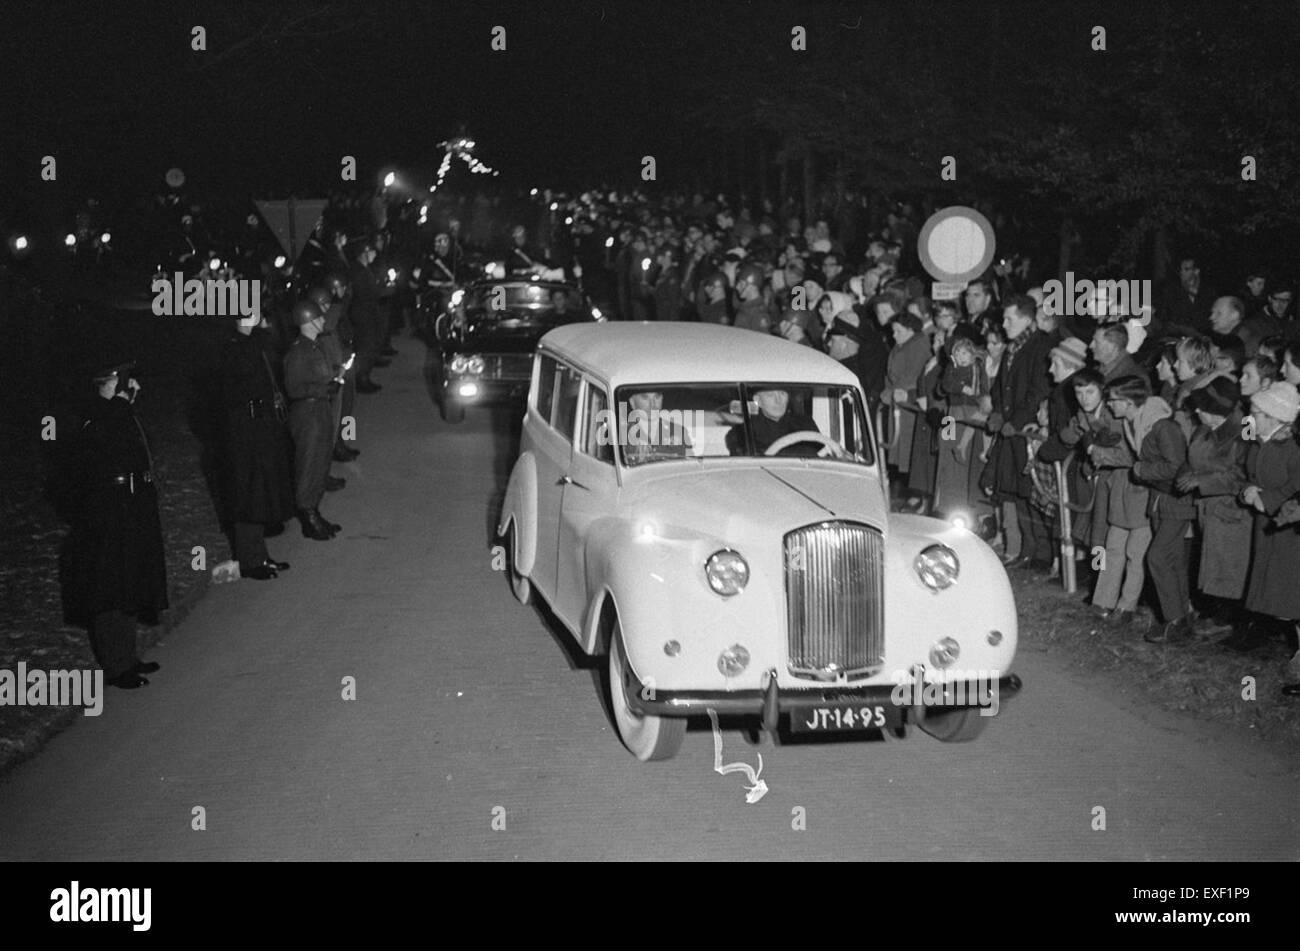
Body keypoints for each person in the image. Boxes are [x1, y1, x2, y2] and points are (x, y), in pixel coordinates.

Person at [60, 361, 167, 688]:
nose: (136, 387)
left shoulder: (118, 413)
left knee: (129, 581)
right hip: (108, 511)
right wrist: (120, 403)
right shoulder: (97, 415)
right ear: (113, 384)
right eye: (129, 382)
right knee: (110, 588)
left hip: (130, 505)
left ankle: (128, 657)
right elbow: (95, 459)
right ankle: (116, 666)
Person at [219, 312, 294, 580]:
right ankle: (251, 560)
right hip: (246, 430)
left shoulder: (252, 344)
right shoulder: (235, 349)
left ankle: (258, 555)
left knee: (259, 491)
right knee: (250, 493)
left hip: (259, 425)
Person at [1174, 377, 1249, 635]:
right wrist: (1186, 474)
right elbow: (1191, 458)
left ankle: (1227, 619)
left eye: (1202, 407)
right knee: (1211, 563)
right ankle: (1214, 612)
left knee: (1228, 566)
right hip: (1207, 509)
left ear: (1217, 411)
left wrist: (1201, 481)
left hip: (1231, 511)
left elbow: (1241, 475)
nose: (1196, 410)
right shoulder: (1203, 429)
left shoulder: (1242, 434)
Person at [1231, 382, 1300, 658]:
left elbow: (1296, 486)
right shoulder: (1258, 443)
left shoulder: (1293, 448)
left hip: (1290, 531)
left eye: (1256, 413)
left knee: (1291, 596)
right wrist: (1247, 492)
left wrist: (1267, 499)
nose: (1250, 418)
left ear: (1275, 417)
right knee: (1281, 601)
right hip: (1267, 530)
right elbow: (1246, 476)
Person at [1123, 374, 1193, 643]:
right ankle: (1181, 619)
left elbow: (1175, 467)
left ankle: (1174, 619)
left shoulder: (1162, 426)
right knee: (1173, 560)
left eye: (1113, 400)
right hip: (1159, 501)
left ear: (1129, 401)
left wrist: (1142, 470)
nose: (1110, 405)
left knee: (1157, 557)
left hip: (1176, 501)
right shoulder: (1138, 423)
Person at [284, 300, 342, 541]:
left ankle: (314, 510)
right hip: (308, 413)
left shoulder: (314, 346)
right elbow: (294, 388)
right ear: (308, 321)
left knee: (320, 461)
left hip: (319, 408)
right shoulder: (298, 352)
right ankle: (308, 515)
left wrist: (334, 378)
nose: (323, 320)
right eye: (318, 318)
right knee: (309, 463)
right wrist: (324, 388)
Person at [726, 388, 819, 455]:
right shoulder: (743, 432)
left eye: (782, 393)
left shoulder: (805, 424)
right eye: (770, 395)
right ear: (758, 400)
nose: (778, 401)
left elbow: (821, 454)